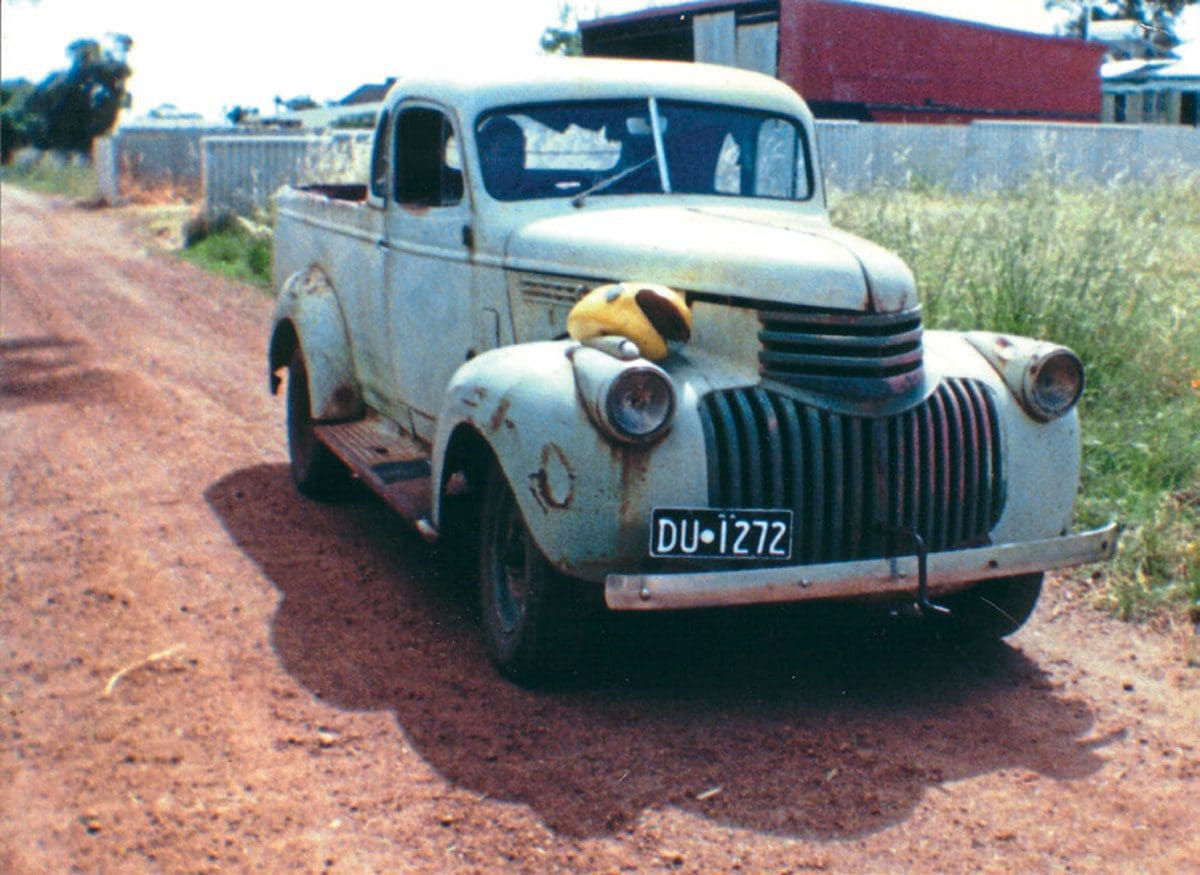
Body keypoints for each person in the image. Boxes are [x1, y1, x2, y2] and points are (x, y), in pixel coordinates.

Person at [476, 116, 526, 199]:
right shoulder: (474, 194)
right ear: (485, 156)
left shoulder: (539, 194)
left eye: (519, 153)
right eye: (505, 154)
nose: (514, 160)